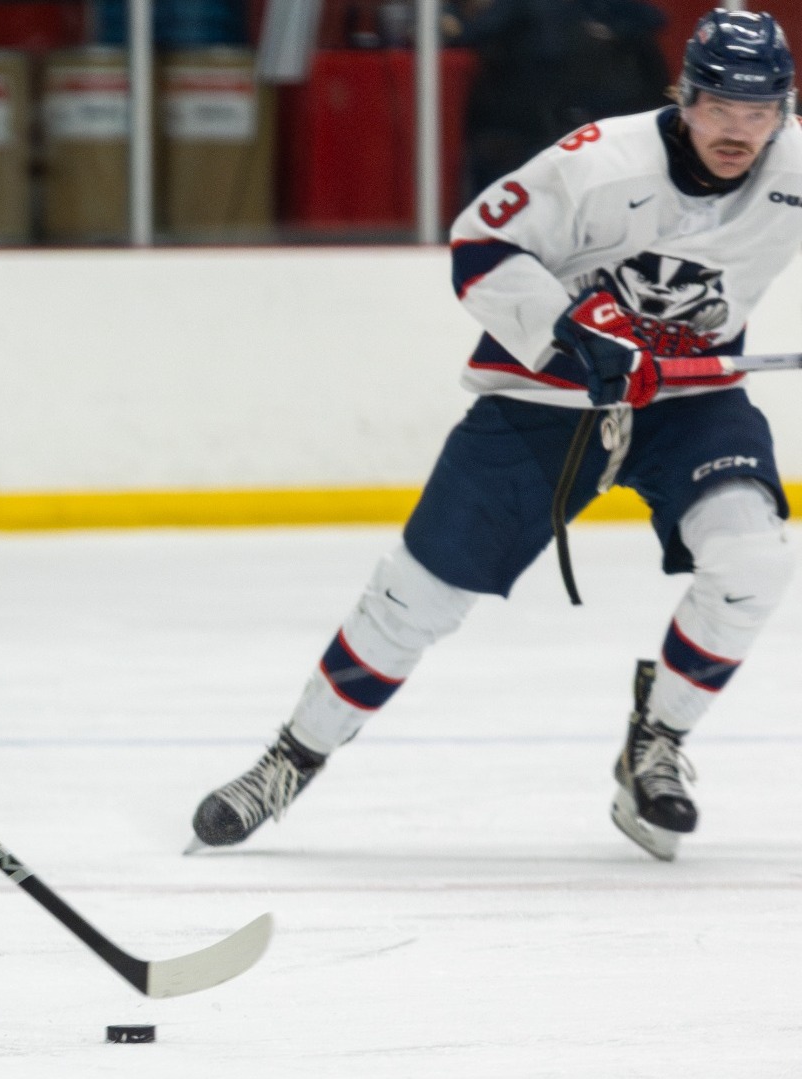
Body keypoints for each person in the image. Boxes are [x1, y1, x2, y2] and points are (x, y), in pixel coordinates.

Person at [188, 9, 799, 863]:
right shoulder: (599, 162)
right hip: (542, 399)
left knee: (754, 561)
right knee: (415, 598)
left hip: (691, 401)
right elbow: (480, 244)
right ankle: (289, 759)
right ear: (685, 97)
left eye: (760, 110)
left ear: (784, 110)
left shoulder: (794, 165)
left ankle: (655, 742)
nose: (739, 129)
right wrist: (569, 333)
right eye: (721, 106)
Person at [451, 0, 670, 199]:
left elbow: (466, 35)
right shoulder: (623, 15)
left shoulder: (520, 8)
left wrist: (451, 19)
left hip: (533, 135)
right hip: (611, 134)